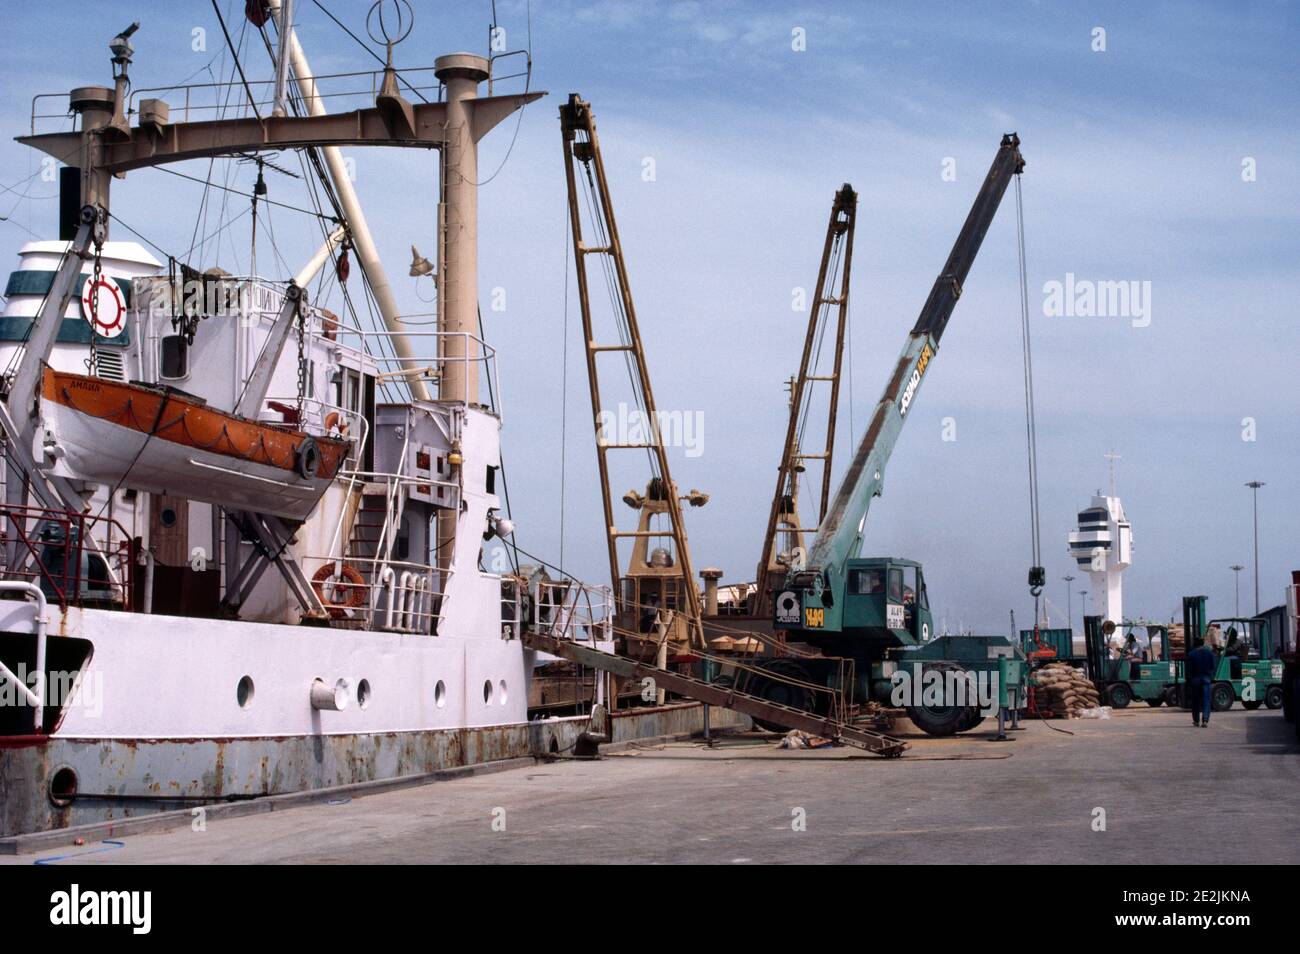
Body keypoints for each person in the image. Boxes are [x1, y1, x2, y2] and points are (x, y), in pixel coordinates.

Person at [1185, 635, 1218, 727]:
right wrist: (1210, 676)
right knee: (1206, 700)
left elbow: (1189, 669)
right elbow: (1213, 666)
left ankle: (1196, 720)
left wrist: (1189, 679)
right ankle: (1205, 720)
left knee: (1195, 701)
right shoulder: (1209, 653)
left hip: (1195, 679)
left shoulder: (1191, 654)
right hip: (1206, 679)